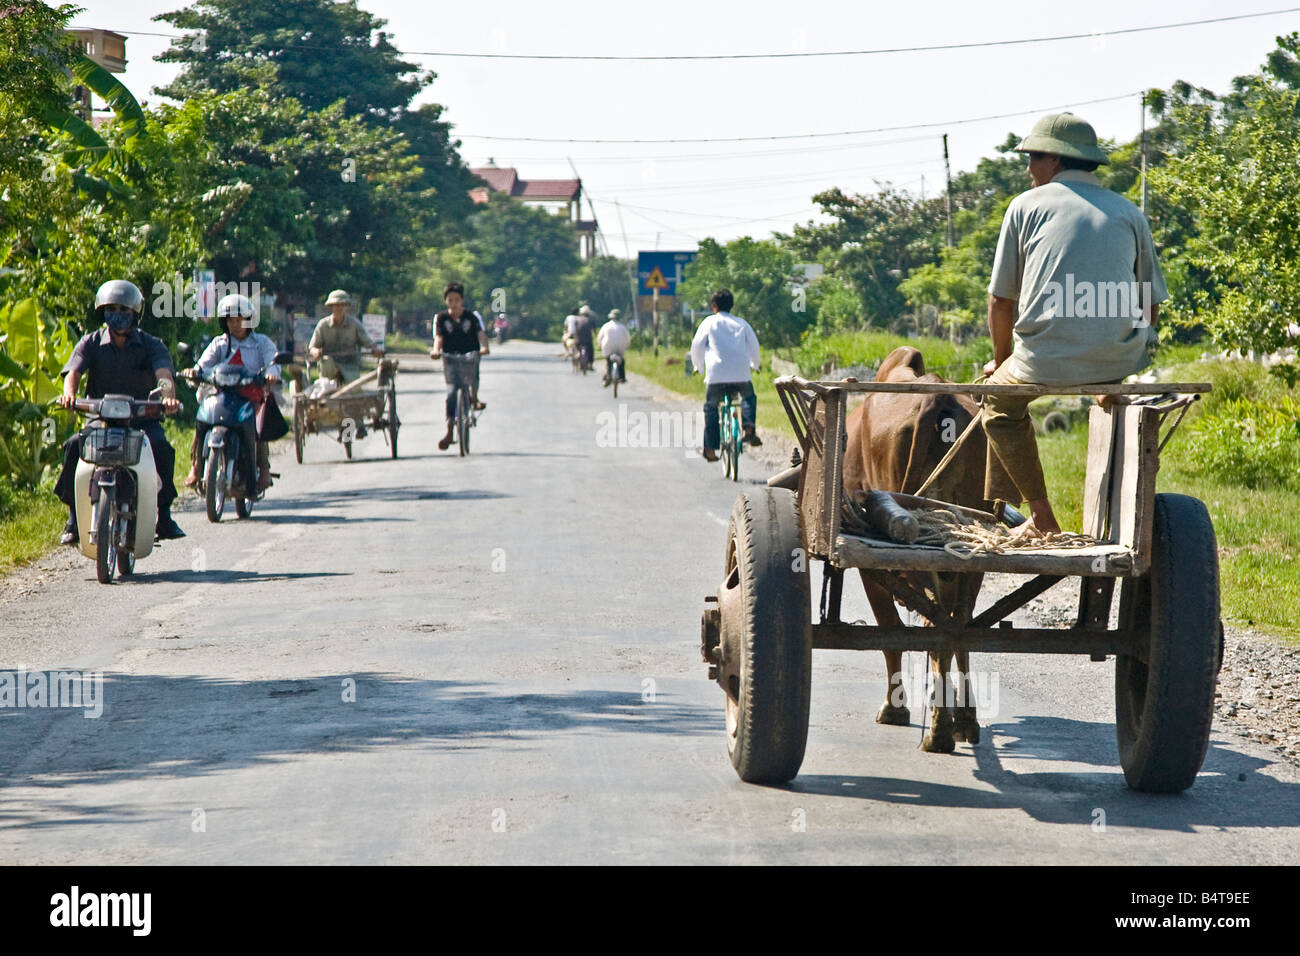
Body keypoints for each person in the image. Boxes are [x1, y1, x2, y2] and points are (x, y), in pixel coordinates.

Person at [983, 112, 1168, 534]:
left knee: (996, 401)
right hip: (1117, 360)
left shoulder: (1025, 206)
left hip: (1042, 361)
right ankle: (1104, 392)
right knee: (1093, 380)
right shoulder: (1129, 212)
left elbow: (1000, 300)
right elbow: (1150, 308)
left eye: (1033, 158)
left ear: (1056, 160)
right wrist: (1117, 351)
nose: (1029, 169)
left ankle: (1037, 517)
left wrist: (1000, 359)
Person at [54, 280, 185, 543]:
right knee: (73, 446)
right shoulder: (90, 342)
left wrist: (168, 398)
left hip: (141, 420)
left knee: (162, 448)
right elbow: (74, 372)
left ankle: (164, 514)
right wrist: (70, 394)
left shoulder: (152, 344)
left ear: (135, 313)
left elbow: (164, 377)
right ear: (102, 313)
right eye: (111, 309)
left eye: (123, 309)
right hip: (100, 420)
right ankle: (73, 519)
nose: (117, 315)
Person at [182, 293, 282, 493]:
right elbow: (203, 364)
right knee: (203, 419)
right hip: (223, 394)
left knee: (258, 424)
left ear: (248, 320)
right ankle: (195, 467)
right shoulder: (220, 343)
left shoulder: (261, 343)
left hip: (251, 395)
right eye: (230, 320)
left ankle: (263, 470)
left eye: (239, 320)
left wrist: (271, 374)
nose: (235, 325)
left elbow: (273, 362)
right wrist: (194, 372)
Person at [690, 289, 762, 461]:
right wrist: (755, 365)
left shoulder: (708, 322)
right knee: (748, 398)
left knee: (711, 408)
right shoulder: (742, 323)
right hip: (741, 374)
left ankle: (709, 449)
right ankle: (749, 427)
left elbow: (697, 346)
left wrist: (698, 366)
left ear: (714, 306)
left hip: (716, 376)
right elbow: (754, 346)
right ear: (732, 306)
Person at [430, 281, 490, 451]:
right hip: (449, 356)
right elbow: (439, 338)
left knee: (472, 376)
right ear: (446, 301)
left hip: (469, 354)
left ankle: (475, 398)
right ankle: (449, 431)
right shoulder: (441, 318)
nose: (453, 303)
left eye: (456, 299)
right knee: (450, 394)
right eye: (450, 300)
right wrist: (435, 351)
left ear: (462, 300)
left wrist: (484, 347)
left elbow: (481, 334)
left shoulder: (472, 317)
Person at [307, 289, 382, 383]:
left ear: (346, 306)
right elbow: (312, 347)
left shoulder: (354, 324)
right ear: (331, 306)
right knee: (326, 363)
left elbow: (367, 342)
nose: (339, 308)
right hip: (329, 367)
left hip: (350, 365)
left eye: (342, 304)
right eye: (336, 305)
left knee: (354, 391)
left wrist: (374, 349)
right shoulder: (323, 325)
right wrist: (315, 351)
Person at [597, 308, 631, 387]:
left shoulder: (606, 326)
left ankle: (608, 376)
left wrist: (599, 345)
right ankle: (622, 377)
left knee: (608, 362)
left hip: (607, 348)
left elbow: (599, 338)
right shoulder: (623, 327)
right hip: (620, 348)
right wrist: (626, 346)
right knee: (622, 361)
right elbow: (628, 339)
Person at [573, 305, 596, 371]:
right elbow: (594, 331)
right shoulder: (590, 320)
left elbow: (574, 330)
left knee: (578, 349)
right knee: (591, 351)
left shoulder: (577, 320)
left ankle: (578, 354)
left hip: (578, 340)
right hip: (588, 340)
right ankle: (590, 365)